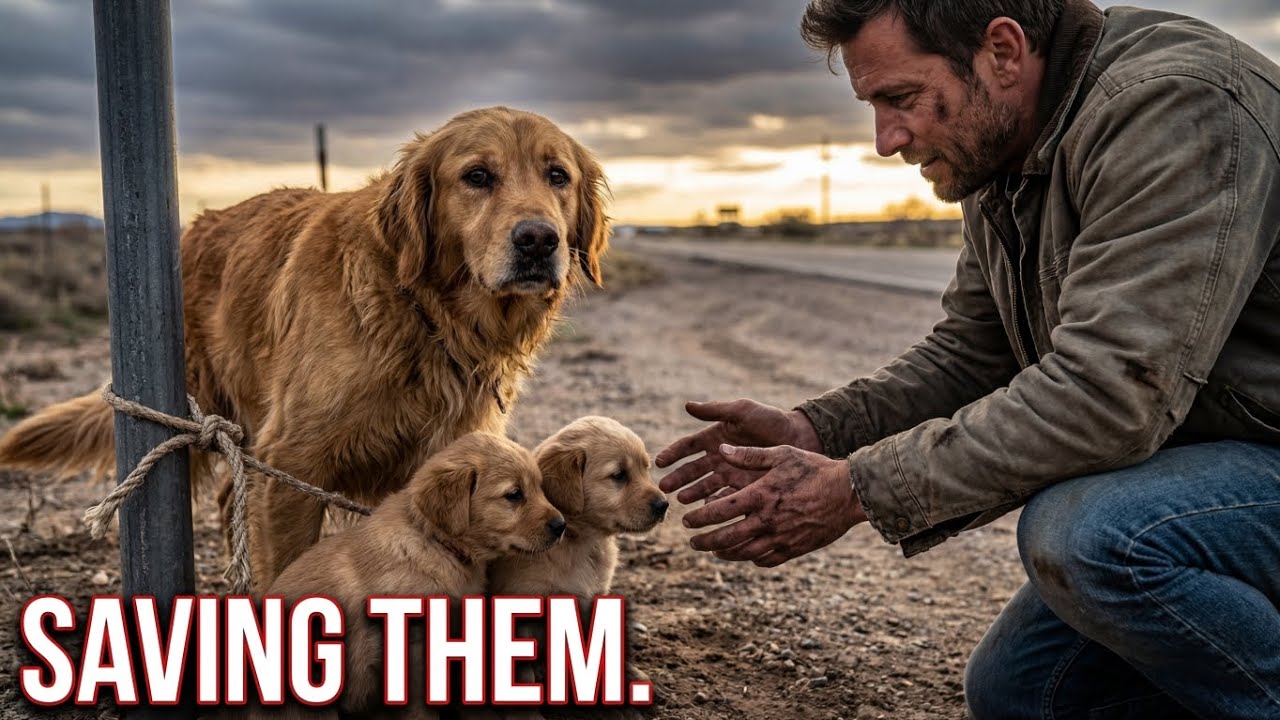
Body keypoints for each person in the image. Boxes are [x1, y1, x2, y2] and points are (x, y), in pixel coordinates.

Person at [655, 0, 1280, 717]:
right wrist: (818, 431)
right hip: (1231, 465)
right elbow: (974, 353)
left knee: (1091, 534)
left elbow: (1110, 394)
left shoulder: (1174, 105)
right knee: (1024, 694)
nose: (888, 140)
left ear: (1003, 52)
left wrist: (855, 488)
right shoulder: (1004, 150)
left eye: (901, 98)